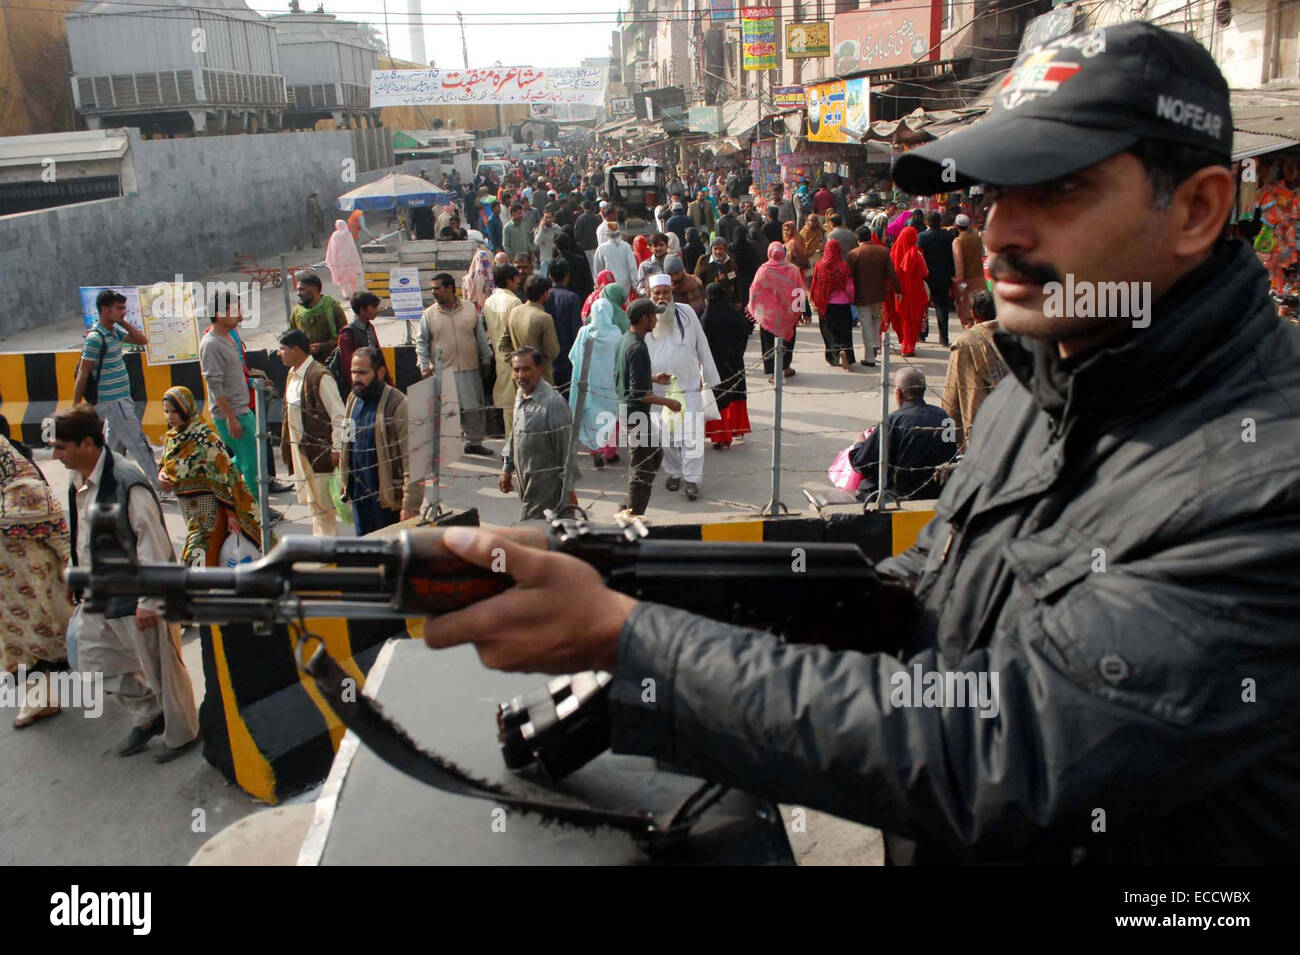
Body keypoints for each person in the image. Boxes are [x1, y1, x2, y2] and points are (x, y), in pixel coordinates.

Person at [421, 18, 1300, 865]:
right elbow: (918, 601)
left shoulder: (1268, 476)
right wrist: (623, 569)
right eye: (993, 194)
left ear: (1197, 209)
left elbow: (1001, 751)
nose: (997, 233)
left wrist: (637, 642)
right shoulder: (1042, 381)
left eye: (1059, 189)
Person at [52, 404, 200, 761]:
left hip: (137, 597)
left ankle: (183, 734)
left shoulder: (126, 481)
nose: (55, 455)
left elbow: (153, 542)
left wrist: (148, 600)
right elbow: (85, 536)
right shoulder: (80, 481)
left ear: (87, 444)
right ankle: (150, 713)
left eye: (61, 447)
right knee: (91, 661)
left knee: (162, 671)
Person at [0, 434, 72, 729]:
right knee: (22, 637)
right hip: (8, 574)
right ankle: (41, 700)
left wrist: (68, 559)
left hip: (28, 566)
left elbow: (46, 513)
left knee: (42, 629)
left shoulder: (15, 472)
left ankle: (139, 690)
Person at [157, 385, 262, 566]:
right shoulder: (172, 438)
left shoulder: (206, 439)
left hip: (209, 515)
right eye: (166, 412)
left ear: (187, 409)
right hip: (189, 514)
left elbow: (226, 477)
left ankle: (199, 590)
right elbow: (165, 465)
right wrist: (162, 475)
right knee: (206, 561)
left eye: (175, 411)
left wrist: (231, 515)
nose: (170, 417)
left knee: (195, 559)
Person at [73, 289, 158, 490]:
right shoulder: (96, 338)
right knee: (139, 445)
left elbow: (141, 340)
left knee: (111, 449)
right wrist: (75, 406)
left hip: (121, 399)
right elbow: (83, 373)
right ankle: (159, 486)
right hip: (113, 402)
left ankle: (102, 484)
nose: (123, 312)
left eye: (124, 308)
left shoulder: (113, 331)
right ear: (104, 309)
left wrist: (121, 321)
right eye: (119, 308)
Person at [646, 273, 721, 502]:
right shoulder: (644, 316)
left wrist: (709, 376)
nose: (661, 298)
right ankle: (674, 472)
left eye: (665, 292)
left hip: (688, 386)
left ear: (671, 293)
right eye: (657, 293)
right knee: (664, 437)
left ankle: (692, 479)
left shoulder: (687, 313)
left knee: (693, 436)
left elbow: (702, 344)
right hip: (658, 391)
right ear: (650, 295)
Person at [340, 347, 421, 535]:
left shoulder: (398, 404)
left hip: (387, 499)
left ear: (380, 372)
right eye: (353, 372)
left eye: (362, 373)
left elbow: (414, 460)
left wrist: (410, 505)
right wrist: (344, 475)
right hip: (360, 495)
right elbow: (347, 439)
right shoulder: (353, 399)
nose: (356, 378)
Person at [849, 367, 956, 500]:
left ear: (898, 394)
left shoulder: (894, 420)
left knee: (869, 483)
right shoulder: (944, 416)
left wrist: (859, 444)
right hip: (938, 490)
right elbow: (952, 456)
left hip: (900, 494)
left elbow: (863, 464)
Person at [417, 273, 494, 457]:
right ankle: (444, 449)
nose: (433, 292)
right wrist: (424, 365)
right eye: (432, 289)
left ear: (450, 288)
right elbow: (421, 342)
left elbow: (481, 338)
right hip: (444, 371)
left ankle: (474, 443)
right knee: (446, 412)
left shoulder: (469, 309)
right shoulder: (428, 315)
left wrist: (485, 359)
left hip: (470, 369)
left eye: (437, 288)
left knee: (473, 408)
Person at [277, 328, 345, 536]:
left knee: (324, 511)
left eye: (282, 349)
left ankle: (329, 555)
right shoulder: (292, 375)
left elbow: (342, 417)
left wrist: (339, 450)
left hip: (322, 454)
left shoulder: (319, 376)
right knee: (315, 507)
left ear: (296, 350)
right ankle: (322, 549)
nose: (279, 354)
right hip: (302, 455)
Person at [615, 299, 679, 517]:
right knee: (642, 468)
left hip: (630, 412)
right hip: (635, 415)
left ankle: (627, 508)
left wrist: (653, 378)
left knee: (654, 456)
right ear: (645, 319)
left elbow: (626, 377)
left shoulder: (626, 340)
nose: (656, 319)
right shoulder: (637, 347)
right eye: (653, 315)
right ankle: (633, 516)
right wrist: (669, 403)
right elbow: (639, 394)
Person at [499, 346, 573, 521]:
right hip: (526, 483)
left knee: (533, 530)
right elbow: (515, 434)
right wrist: (507, 469)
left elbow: (567, 451)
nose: (520, 375)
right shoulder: (521, 394)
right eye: (516, 370)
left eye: (527, 369)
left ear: (540, 369)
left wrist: (569, 491)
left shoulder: (553, 404)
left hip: (547, 488)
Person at [198, 292, 259, 502]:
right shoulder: (211, 343)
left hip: (242, 409)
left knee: (244, 460)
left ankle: (218, 484)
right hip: (232, 414)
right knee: (252, 464)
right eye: (235, 311)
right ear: (218, 314)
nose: (239, 316)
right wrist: (230, 417)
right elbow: (213, 383)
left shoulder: (228, 337)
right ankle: (255, 508)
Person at [940, 290, 1006, 454]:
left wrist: (948, 435)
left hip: (980, 426)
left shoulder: (965, 343)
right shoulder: (1014, 335)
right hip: (1013, 420)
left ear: (973, 313)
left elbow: (951, 395)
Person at [569, 298, 621, 468]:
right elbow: (620, 359)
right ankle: (609, 452)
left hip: (589, 383)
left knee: (591, 416)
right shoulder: (616, 333)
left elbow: (573, 356)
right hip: (609, 383)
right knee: (610, 417)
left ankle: (595, 450)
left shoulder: (585, 331)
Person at [699, 282, 752, 450]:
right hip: (735, 362)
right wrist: (737, 353)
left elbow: (702, 342)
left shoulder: (707, 318)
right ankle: (737, 428)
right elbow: (745, 333)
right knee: (736, 393)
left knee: (719, 398)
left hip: (716, 364)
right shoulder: (734, 315)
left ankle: (721, 436)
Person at [749, 241, 802, 379]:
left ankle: (772, 373)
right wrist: (799, 311)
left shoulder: (763, 270)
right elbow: (799, 291)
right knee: (788, 340)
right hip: (787, 315)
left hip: (768, 316)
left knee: (768, 343)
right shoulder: (793, 270)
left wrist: (756, 310)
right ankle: (786, 367)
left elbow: (755, 291)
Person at [483, 263, 523, 435]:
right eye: (516, 279)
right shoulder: (514, 302)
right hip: (514, 358)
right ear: (509, 280)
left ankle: (510, 446)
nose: (519, 282)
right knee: (517, 406)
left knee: (508, 406)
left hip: (500, 359)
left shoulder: (489, 301)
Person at [846, 225, 894, 368]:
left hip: (862, 296)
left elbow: (848, 276)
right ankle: (875, 344)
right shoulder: (883, 251)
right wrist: (898, 290)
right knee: (876, 320)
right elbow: (892, 273)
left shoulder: (853, 254)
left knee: (865, 323)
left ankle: (870, 357)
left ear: (858, 239)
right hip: (879, 294)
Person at [504, 274, 561, 386]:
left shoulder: (514, 311)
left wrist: (515, 363)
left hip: (519, 377)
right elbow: (553, 352)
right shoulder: (544, 318)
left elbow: (504, 342)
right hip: (540, 378)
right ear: (545, 293)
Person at [810, 238, 857, 369]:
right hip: (843, 304)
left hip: (826, 305)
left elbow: (817, 284)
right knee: (845, 331)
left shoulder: (820, 265)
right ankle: (845, 351)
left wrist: (816, 299)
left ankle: (834, 356)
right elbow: (849, 287)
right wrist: (852, 300)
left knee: (829, 332)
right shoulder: (844, 267)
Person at [888, 226, 930, 357]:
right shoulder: (915, 252)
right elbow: (924, 272)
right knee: (913, 320)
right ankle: (908, 346)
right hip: (914, 290)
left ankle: (904, 343)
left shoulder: (893, 251)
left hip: (898, 291)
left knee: (902, 318)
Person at [916, 212, 957, 346]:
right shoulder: (948, 236)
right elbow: (952, 257)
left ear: (927, 223)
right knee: (942, 308)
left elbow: (919, 257)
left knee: (923, 306)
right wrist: (952, 274)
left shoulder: (921, 237)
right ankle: (944, 338)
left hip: (926, 276)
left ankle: (922, 334)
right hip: (943, 276)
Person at [544, 258, 584, 393]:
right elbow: (576, 332)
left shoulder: (544, 296)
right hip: (567, 358)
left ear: (550, 276)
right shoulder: (572, 298)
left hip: (548, 358)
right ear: (567, 276)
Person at [289, 272, 346, 361]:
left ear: (314, 289)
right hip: (306, 361)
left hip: (331, 361)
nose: (298, 293)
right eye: (298, 290)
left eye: (301, 289)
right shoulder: (297, 312)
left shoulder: (333, 309)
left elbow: (344, 338)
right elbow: (291, 338)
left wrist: (322, 347)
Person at [952, 213, 987, 328]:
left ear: (957, 226)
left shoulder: (958, 241)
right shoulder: (977, 238)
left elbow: (959, 264)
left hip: (966, 282)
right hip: (980, 279)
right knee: (980, 310)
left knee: (966, 314)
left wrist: (959, 283)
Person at [338, 291, 382, 380]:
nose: (377, 311)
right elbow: (347, 366)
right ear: (362, 310)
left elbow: (379, 356)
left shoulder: (370, 328)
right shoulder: (347, 334)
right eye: (374, 307)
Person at [694, 235, 740, 305]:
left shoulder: (731, 260)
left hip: (727, 300)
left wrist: (737, 300)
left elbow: (735, 279)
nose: (718, 252)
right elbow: (697, 281)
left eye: (721, 248)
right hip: (710, 301)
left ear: (725, 249)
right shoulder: (703, 261)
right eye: (715, 249)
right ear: (711, 249)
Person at [593, 222, 638, 292]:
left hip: (608, 283)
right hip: (625, 283)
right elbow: (632, 267)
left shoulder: (602, 248)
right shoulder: (626, 246)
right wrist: (635, 284)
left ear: (607, 235)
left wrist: (597, 284)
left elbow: (598, 269)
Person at [326, 220, 363, 299]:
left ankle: (346, 294)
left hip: (339, 261)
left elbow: (332, 248)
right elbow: (353, 247)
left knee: (342, 279)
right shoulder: (348, 234)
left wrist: (331, 258)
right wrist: (355, 258)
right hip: (349, 260)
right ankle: (354, 292)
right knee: (352, 277)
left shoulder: (335, 235)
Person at [574, 200, 603, 274]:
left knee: (589, 268)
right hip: (596, 245)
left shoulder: (580, 218)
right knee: (597, 267)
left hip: (585, 247)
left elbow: (577, 234)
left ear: (583, 207)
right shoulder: (597, 217)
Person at [534, 209, 559, 277]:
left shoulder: (556, 228)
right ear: (543, 219)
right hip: (545, 260)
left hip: (555, 259)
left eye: (550, 217)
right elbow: (537, 242)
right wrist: (542, 229)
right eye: (546, 217)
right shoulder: (539, 230)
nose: (548, 219)